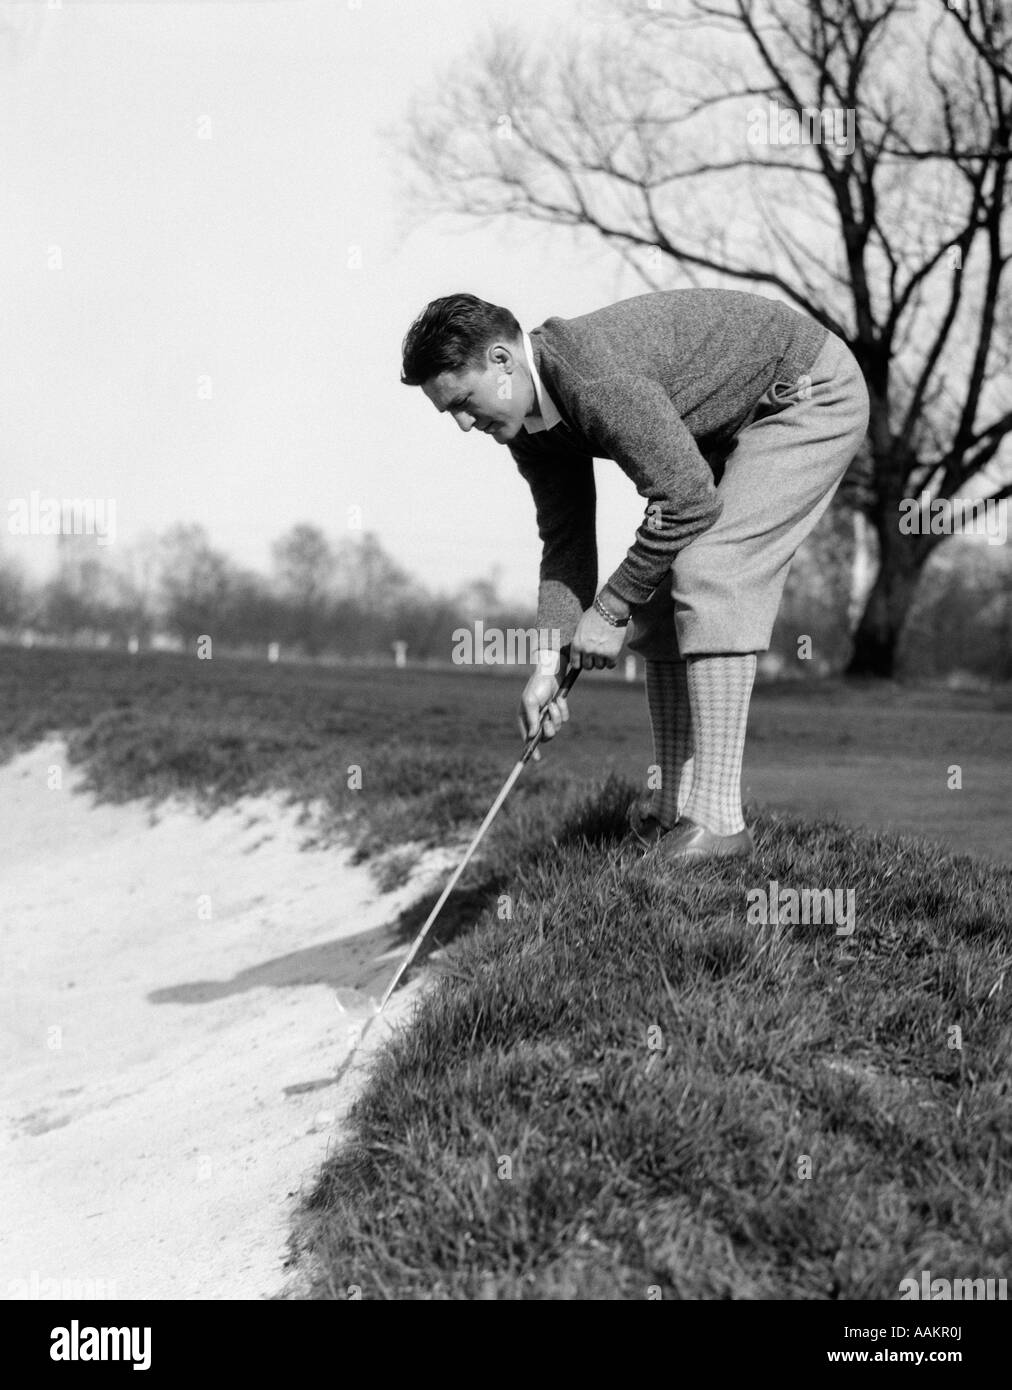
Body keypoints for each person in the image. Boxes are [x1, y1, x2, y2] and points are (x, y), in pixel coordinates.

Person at [400, 289, 870, 863]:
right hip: (727, 424)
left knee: (710, 565)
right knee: (660, 588)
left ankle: (720, 823)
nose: (465, 424)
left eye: (465, 402)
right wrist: (548, 665)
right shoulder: (529, 427)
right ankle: (672, 811)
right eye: (450, 413)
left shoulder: (594, 380)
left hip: (805, 394)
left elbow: (689, 501)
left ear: (502, 360)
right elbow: (566, 542)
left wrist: (608, 608)